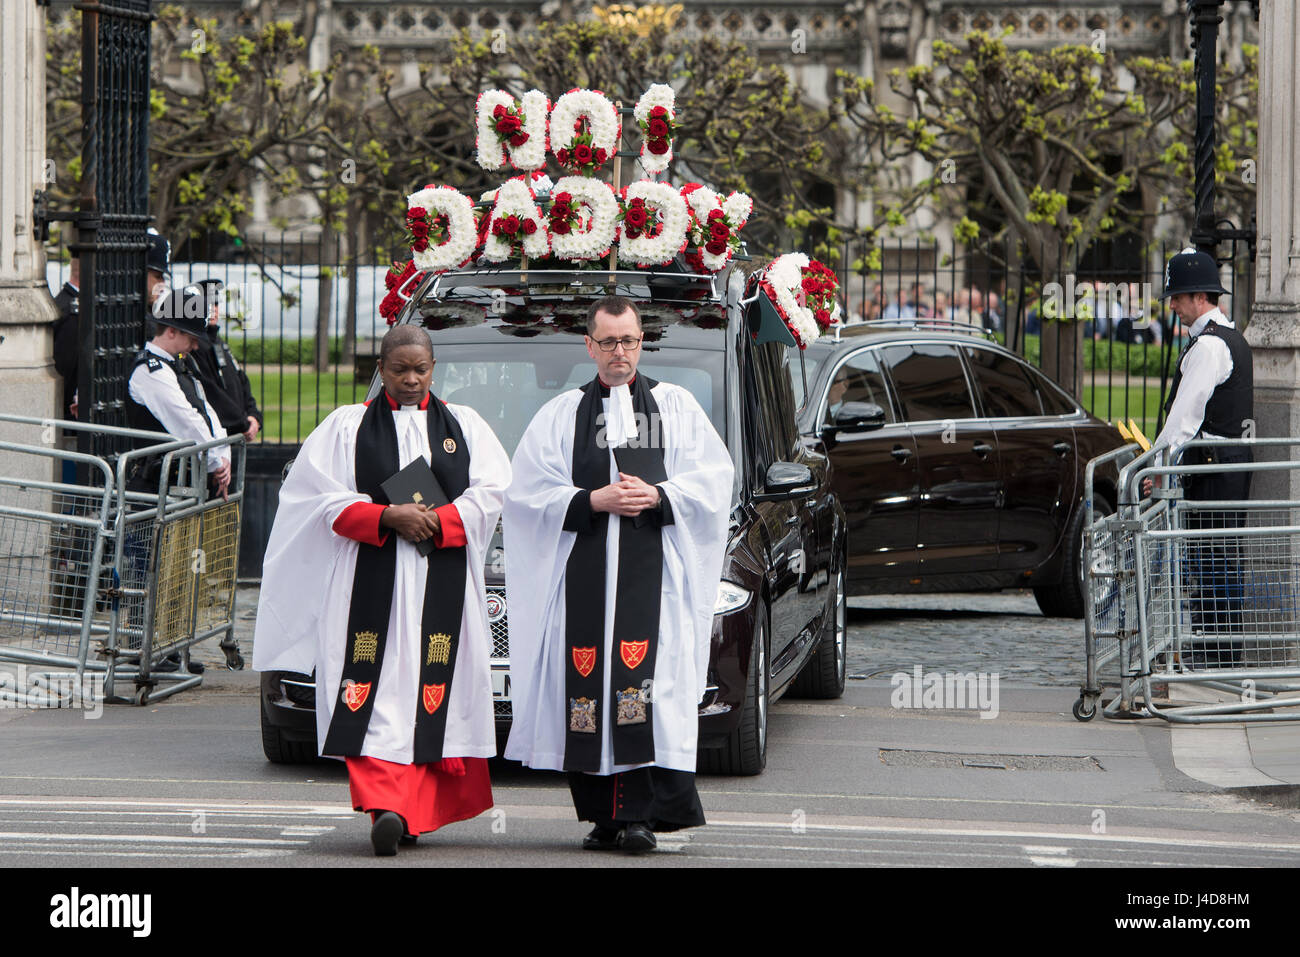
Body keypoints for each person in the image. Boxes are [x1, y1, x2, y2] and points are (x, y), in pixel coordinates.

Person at [252, 324, 511, 856]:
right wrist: (385, 515)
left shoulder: (466, 425)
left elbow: (495, 492)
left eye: (421, 369)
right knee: (375, 698)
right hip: (367, 587)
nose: (411, 380)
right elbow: (311, 500)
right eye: (400, 370)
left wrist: (440, 519)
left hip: (441, 586)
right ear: (381, 369)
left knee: (428, 695)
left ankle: (410, 813)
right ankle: (385, 808)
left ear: (434, 369)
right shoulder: (345, 428)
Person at [502, 295, 734, 855]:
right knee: (588, 692)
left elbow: (713, 479)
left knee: (647, 691)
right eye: (607, 342)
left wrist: (659, 494)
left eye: (628, 340)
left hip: (654, 584)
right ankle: (603, 817)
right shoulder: (562, 415)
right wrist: (591, 499)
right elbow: (526, 494)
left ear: (641, 341)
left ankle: (641, 818)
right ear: (589, 346)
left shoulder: (675, 407)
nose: (619, 352)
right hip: (585, 582)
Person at [1148, 247, 1253, 658]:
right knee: (1216, 560)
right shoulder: (1227, 338)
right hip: (1222, 467)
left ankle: (1216, 655)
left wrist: (1155, 468)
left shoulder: (1209, 346)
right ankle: (1215, 652)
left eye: (1178, 296)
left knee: (1212, 562)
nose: (1173, 305)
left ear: (1201, 297)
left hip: (1213, 469)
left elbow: (1182, 421)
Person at [126, 284, 231, 500]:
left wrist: (222, 453)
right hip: (155, 491)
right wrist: (215, 460)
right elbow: (184, 419)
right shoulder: (150, 370)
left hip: (179, 485)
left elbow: (206, 410)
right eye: (192, 339)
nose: (194, 346)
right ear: (172, 331)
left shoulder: (181, 363)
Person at [184, 279, 263, 445]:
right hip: (221, 434)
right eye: (207, 304)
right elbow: (210, 391)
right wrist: (242, 422)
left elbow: (241, 380)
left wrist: (254, 415)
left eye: (216, 304)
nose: (213, 309)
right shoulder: (195, 346)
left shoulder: (218, 341)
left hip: (236, 430)